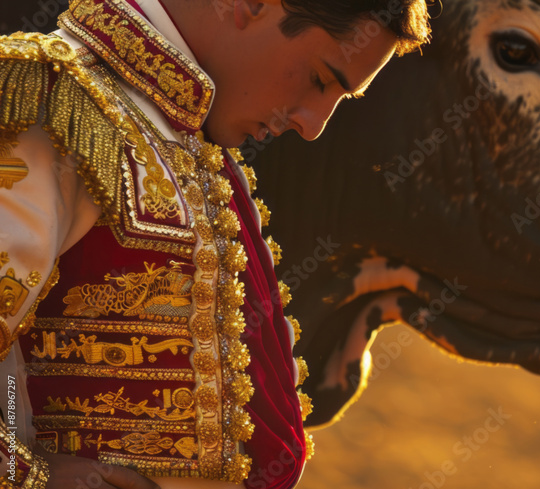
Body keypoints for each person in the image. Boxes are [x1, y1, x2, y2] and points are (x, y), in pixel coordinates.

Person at [0, 0, 430, 487]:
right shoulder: (50, 99)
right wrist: (25, 475)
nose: (313, 126)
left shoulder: (184, 133)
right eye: (319, 79)